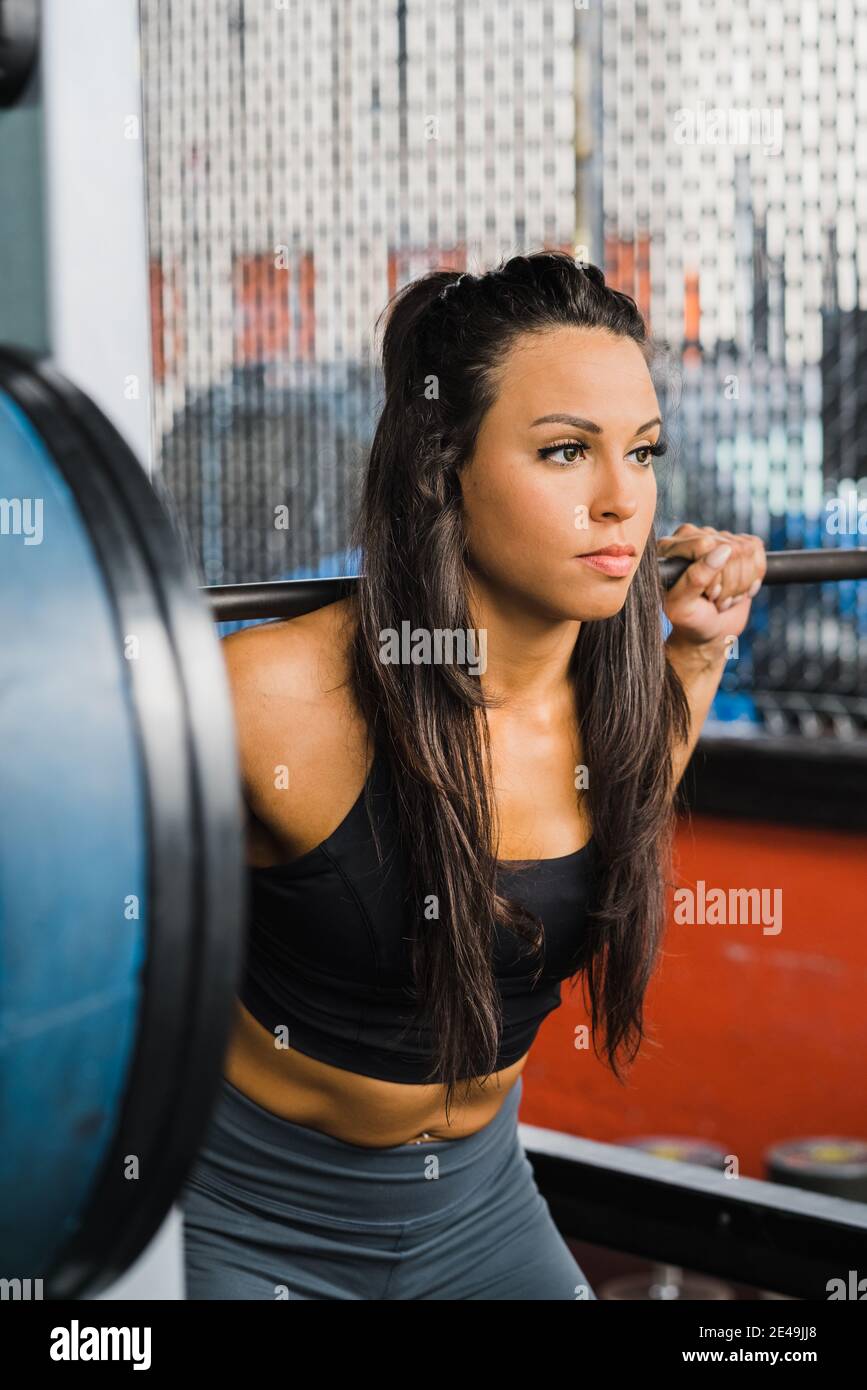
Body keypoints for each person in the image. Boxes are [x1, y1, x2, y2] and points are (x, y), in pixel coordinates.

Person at [180, 252, 766, 1300]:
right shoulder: (267, 697)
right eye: (562, 452)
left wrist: (701, 651)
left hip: (477, 1209)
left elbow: (626, 836)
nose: (619, 501)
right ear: (441, 467)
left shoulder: (626, 700)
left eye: (641, 452)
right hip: (245, 1218)